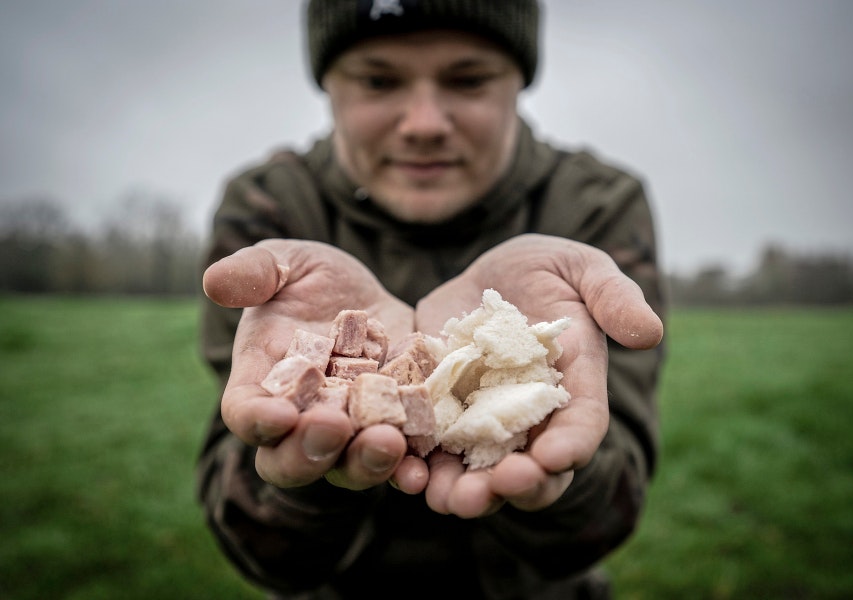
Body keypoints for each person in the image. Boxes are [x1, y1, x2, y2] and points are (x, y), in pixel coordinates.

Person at [196, 1, 666, 598]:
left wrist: (553, 456)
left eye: (467, 79)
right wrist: (315, 462)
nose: (423, 123)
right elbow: (256, 547)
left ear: (518, 82)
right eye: (377, 80)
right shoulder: (267, 203)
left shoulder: (598, 203)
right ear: (328, 86)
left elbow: (603, 523)